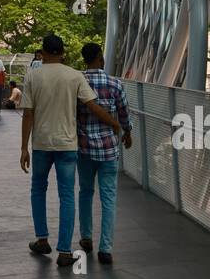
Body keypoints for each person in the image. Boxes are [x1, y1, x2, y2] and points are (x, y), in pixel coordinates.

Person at [20, 33, 121, 267]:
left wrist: (23, 147)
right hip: (67, 145)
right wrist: (114, 123)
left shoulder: (33, 76)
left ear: (42, 53)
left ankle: (42, 239)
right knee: (66, 195)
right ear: (63, 53)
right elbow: (92, 106)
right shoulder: (74, 76)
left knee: (38, 189)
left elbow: (28, 114)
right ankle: (65, 251)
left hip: (41, 144)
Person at [77, 42, 133, 265]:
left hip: (83, 148)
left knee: (85, 192)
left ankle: (86, 237)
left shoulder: (77, 82)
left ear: (84, 59)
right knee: (108, 198)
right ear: (100, 58)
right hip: (109, 148)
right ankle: (106, 248)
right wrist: (127, 132)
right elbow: (124, 112)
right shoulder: (114, 83)